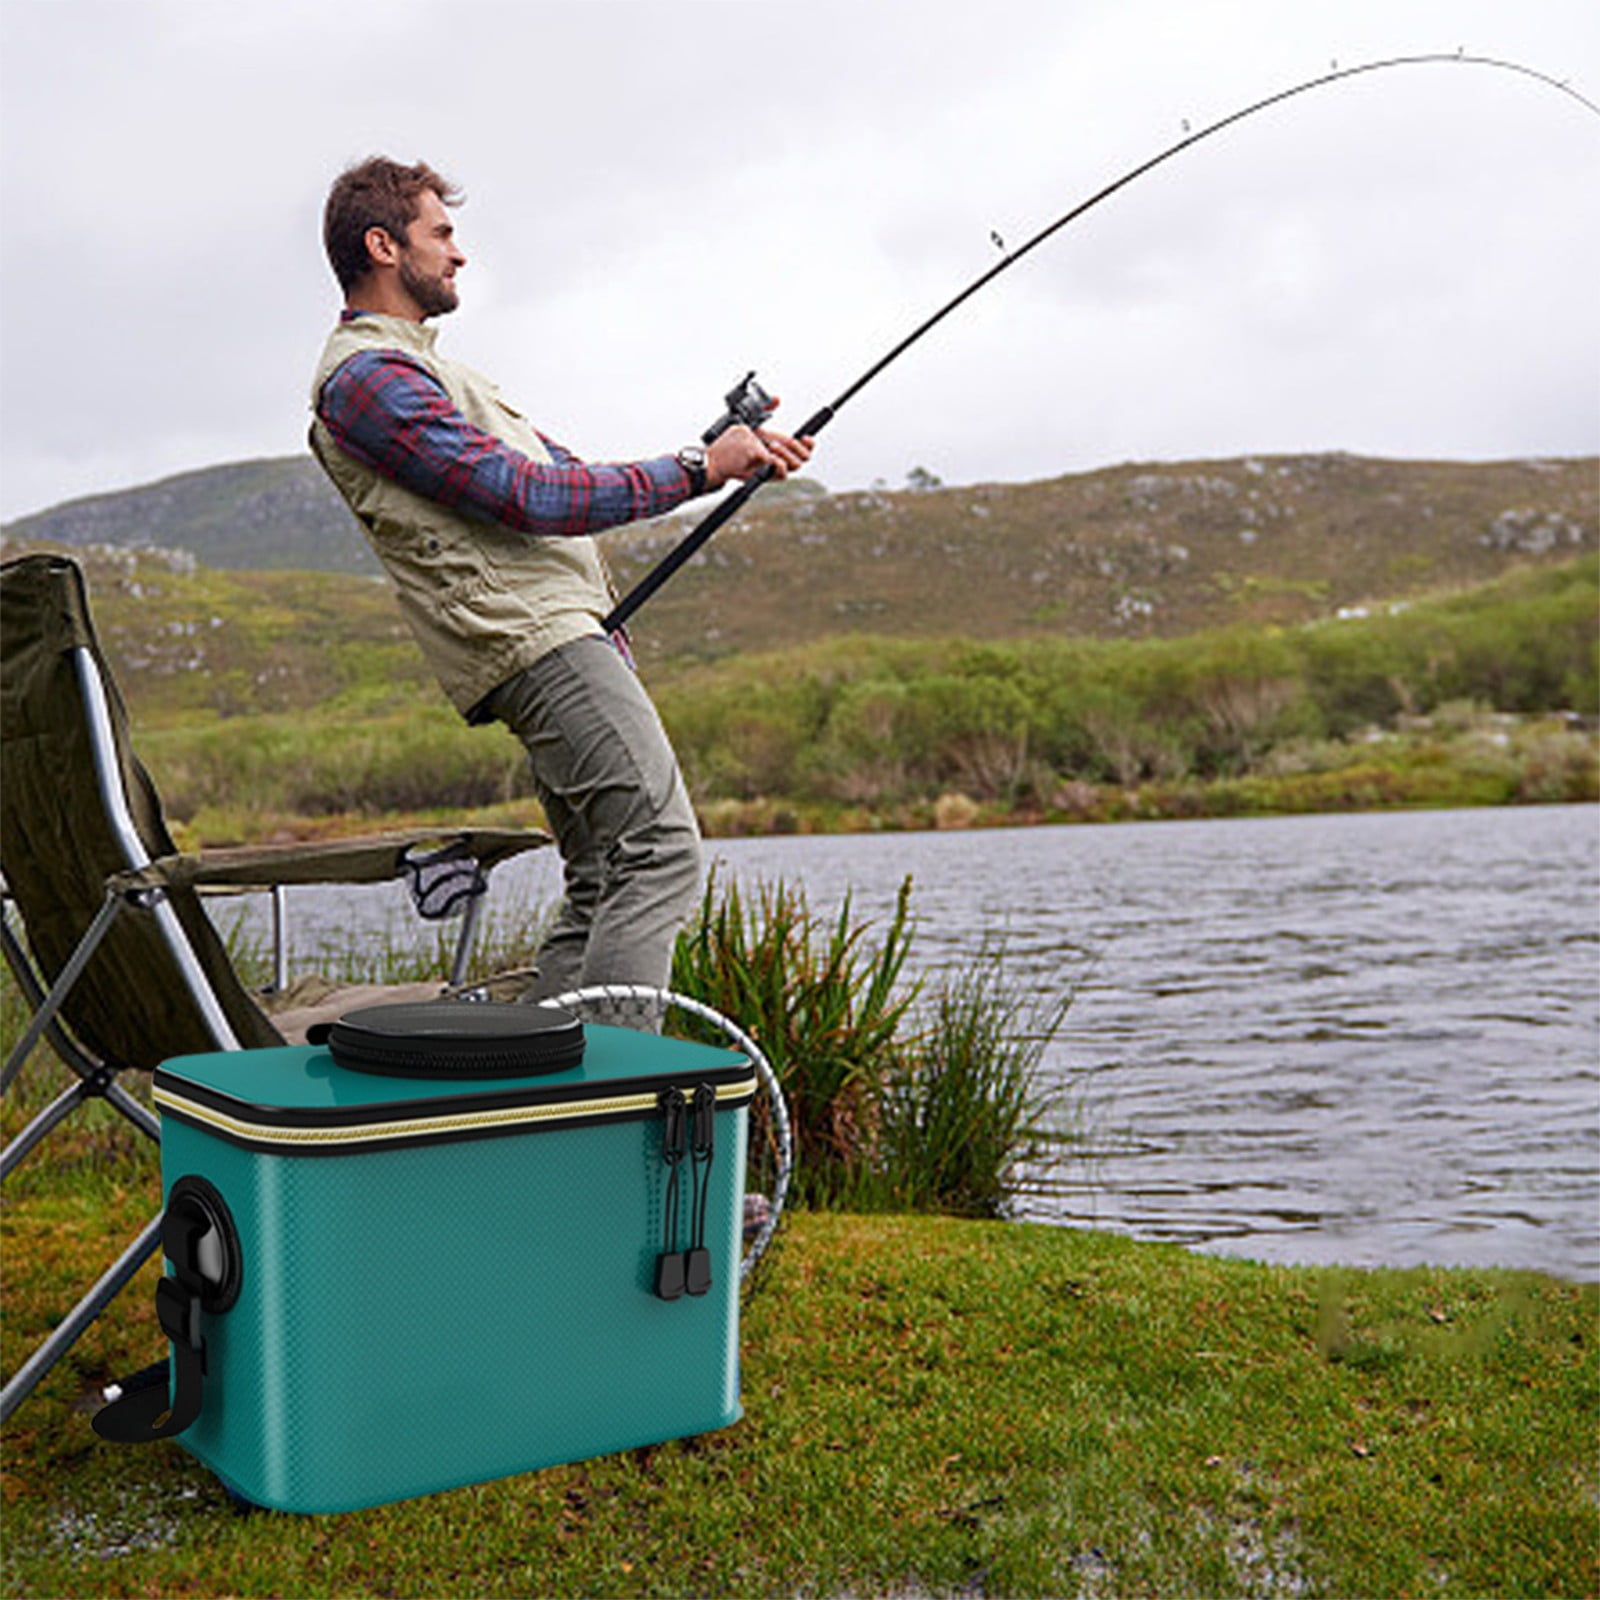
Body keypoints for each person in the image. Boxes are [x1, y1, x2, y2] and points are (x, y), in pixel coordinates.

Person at [309, 157, 813, 1017]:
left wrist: (727, 455)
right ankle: (614, 1104)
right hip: (535, 646)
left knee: (603, 877)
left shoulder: (424, 372)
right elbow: (529, 497)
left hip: (553, 640)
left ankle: (543, 1102)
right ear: (384, 245)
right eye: (442, 233)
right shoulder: (369, 381)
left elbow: (564, 475)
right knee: (657, 852)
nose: (460, 254)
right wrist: (699, 468)